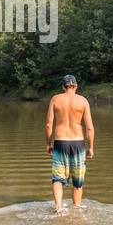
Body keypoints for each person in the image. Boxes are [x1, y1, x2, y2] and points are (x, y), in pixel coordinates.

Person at [46, 74, 94, 214]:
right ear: (76, 86)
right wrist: (90, 147)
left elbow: (49, 125)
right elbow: (90, 128)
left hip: (60, 142)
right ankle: (77, 209)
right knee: (77, 180)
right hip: (78, 143)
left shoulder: (55, 99)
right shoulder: (83, 101)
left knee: (57, 178)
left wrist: (48, 144)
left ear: (63, 87)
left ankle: (59, 208)